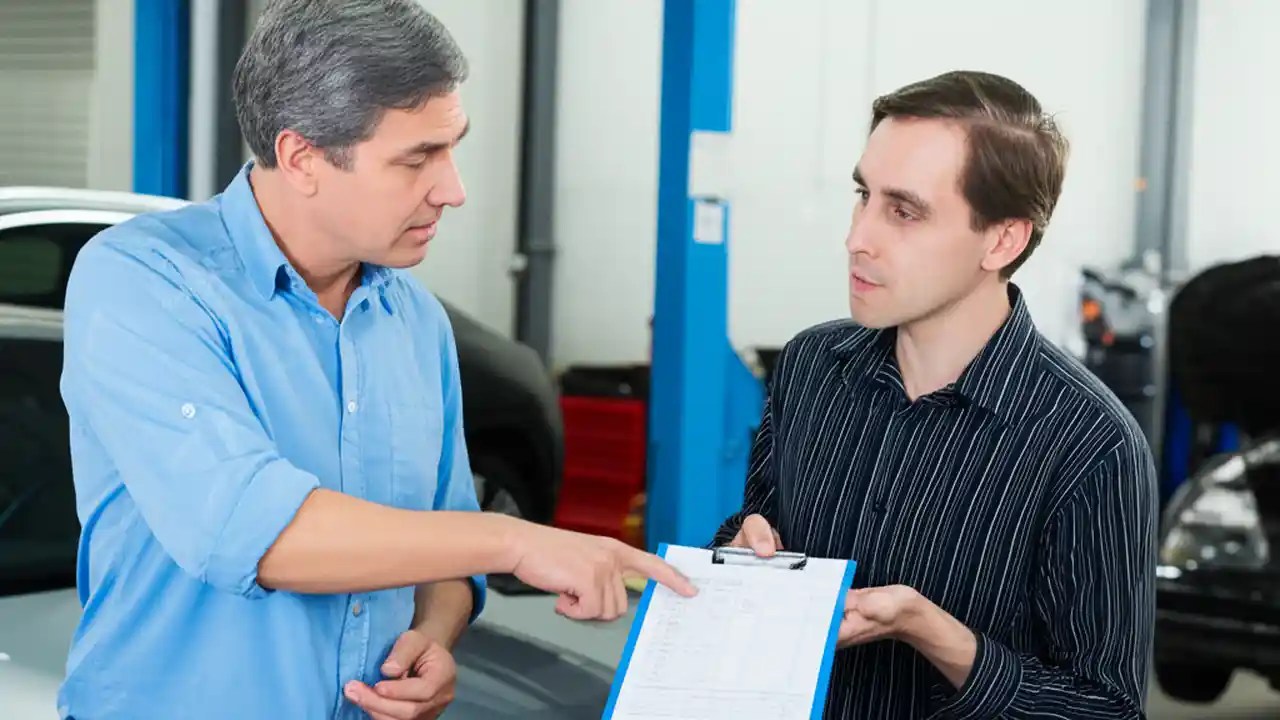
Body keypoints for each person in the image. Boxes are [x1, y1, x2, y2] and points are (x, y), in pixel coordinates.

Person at [56, 2, 694, 719]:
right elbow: (257, 535)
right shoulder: (145, 281)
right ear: (302, 159)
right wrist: (515, 544)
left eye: (452, 149)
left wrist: (433, 633)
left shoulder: (414, 320)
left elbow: (445, 541)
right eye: (417, 158)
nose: (452, 190)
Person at [713, 70, 1157, 719]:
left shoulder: (1090, 445)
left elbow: (1106, 710)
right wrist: (741, 552)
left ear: (1003, 239)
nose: (857, 237)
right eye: (863, 195)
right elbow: (755, 532)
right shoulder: (810, 368)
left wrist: (934, 633)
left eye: (903, 210)